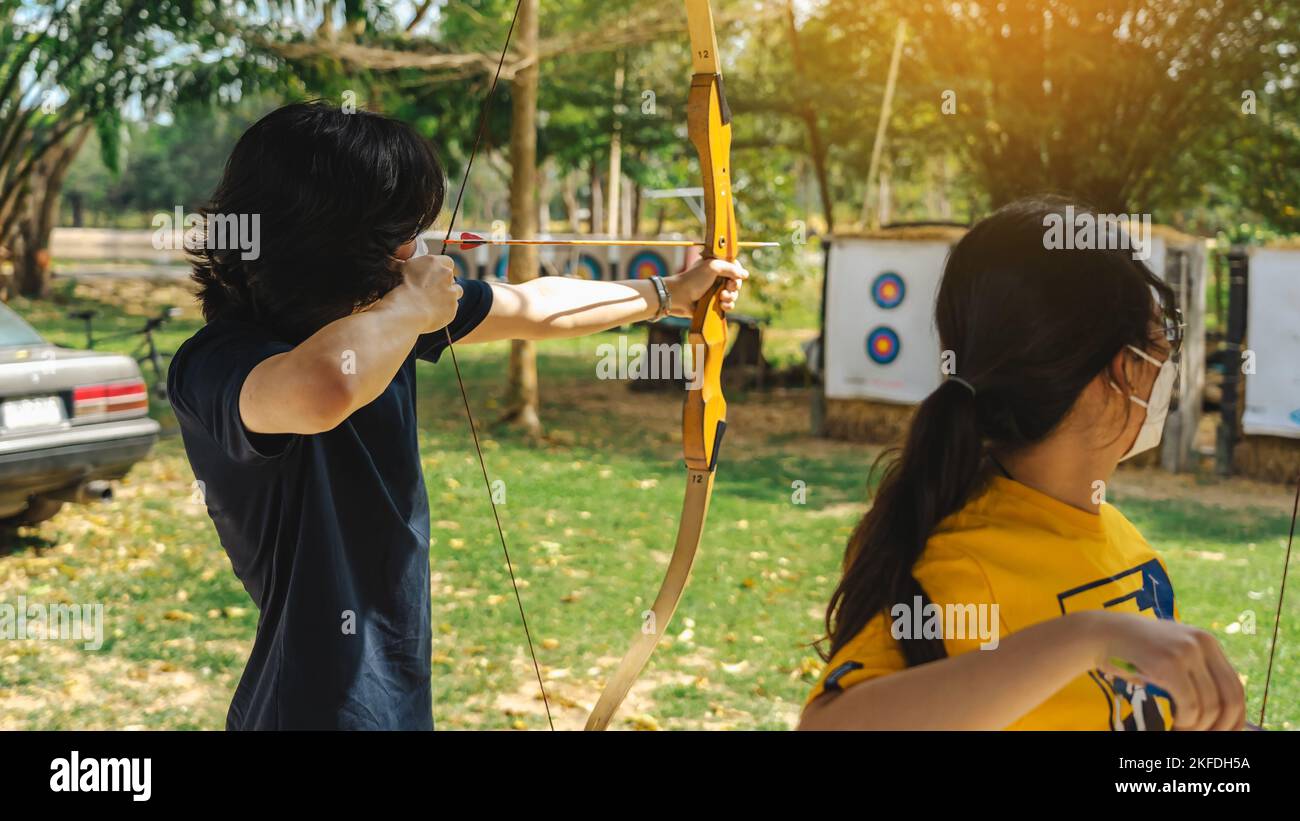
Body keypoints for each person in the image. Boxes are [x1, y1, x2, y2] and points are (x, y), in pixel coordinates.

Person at [168, 101, 746, 730]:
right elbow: (324, 388)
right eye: (400, 232)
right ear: (332, 240)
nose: (413, 247)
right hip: (309, 709)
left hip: (390, 692)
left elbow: (533, 304)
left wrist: (667, 294)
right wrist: (410, 309)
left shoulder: (384, 323)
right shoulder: (219, 363)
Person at [800, 197, 1245, 731]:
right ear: (1121, 371)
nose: (1167, 366)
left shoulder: (1121, 540)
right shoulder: (962, 566)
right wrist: (1087, 638)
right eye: (1159, 343)